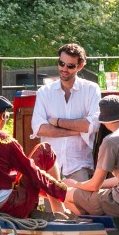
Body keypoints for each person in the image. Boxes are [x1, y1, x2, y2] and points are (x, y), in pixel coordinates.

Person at [0, 93, 68, 217]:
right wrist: (62, 191)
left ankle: (58, 206)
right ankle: (59, 210)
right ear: (2, 116)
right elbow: (31, 171)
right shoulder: (3, 140)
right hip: (7, 207)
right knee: (45, 150)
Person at [31, 42, 100, 182]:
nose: (64, 69)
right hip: (50, 166)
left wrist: (57, 122)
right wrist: (77, 130)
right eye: (61, 63)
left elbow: (93, 125)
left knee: (79, 204)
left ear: (80, 66)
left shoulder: (91, 89)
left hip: (79, 165)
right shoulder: (44, 92)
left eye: (70, 66)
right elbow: (39, 128)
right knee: (52, 205)